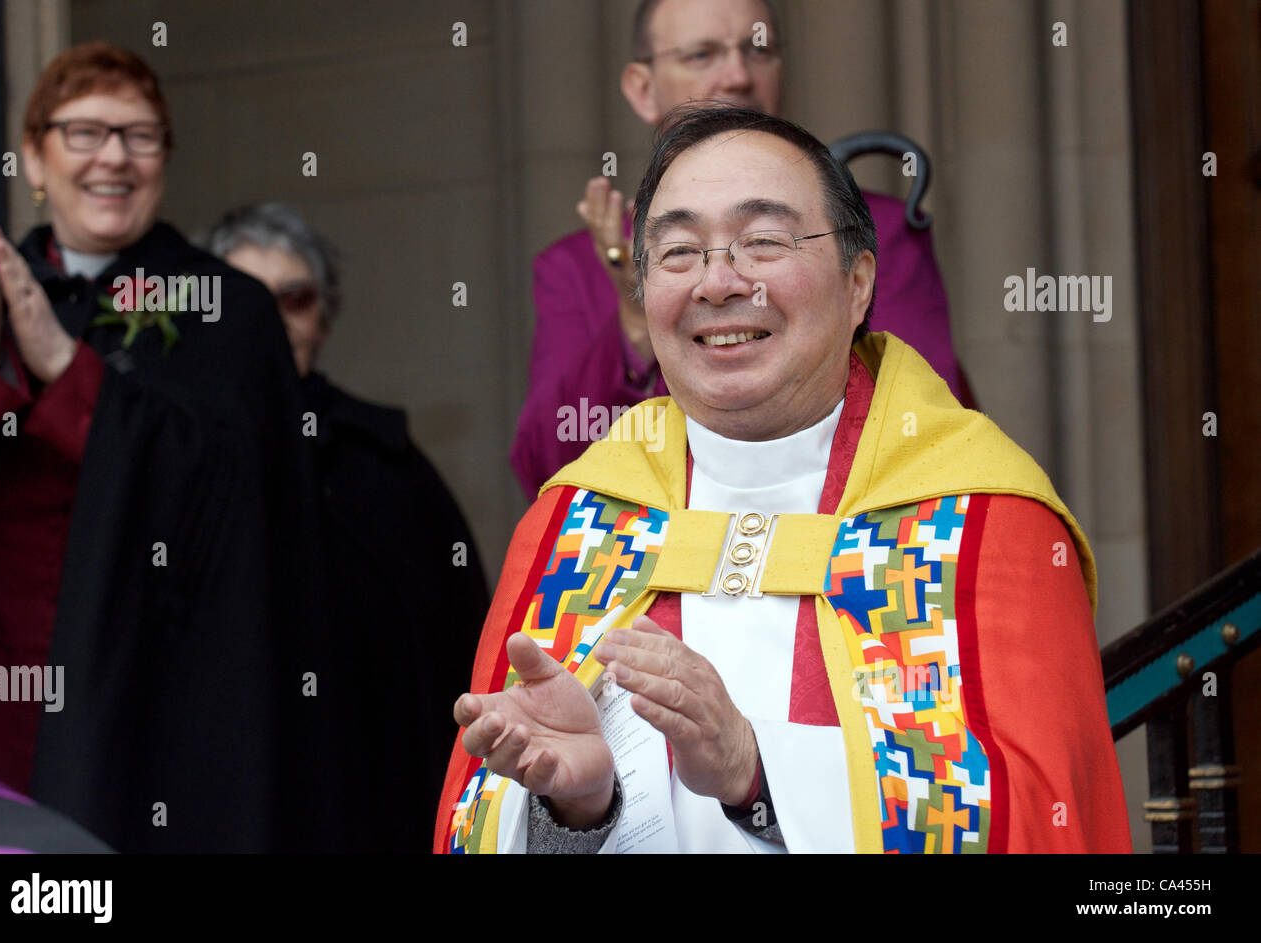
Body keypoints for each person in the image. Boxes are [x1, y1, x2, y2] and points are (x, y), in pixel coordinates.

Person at [436, 106, 1130, 854]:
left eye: (763, 241)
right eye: (677, 251)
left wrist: (756, 770)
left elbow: (1041, 821)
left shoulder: (980, 515)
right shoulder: (577, 523)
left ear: (858, 282)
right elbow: (473, 822)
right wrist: (572, 811)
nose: (720, 282)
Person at [0, 42, 345, 852]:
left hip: (154, 701)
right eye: (85, 132)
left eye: (140, 136)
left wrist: (70, 372)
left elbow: (230, 502)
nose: (114, 157)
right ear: (33, 155)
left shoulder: (227, 309)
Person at [510, 0, 974, 500]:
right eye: (702, 54)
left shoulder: (874, 228)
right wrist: (634, 321)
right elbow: (547, 467)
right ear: (643, 89)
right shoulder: (572, 267)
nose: (737, 75)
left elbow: (929, 435)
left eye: (758, 50)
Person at [208, 202, 490, 852]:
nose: (273, 319)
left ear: (324, 316)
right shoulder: (175, 451)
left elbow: (450, 652)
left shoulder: (383, 460)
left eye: (295, 297)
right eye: (247, 299)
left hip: (368, 800)